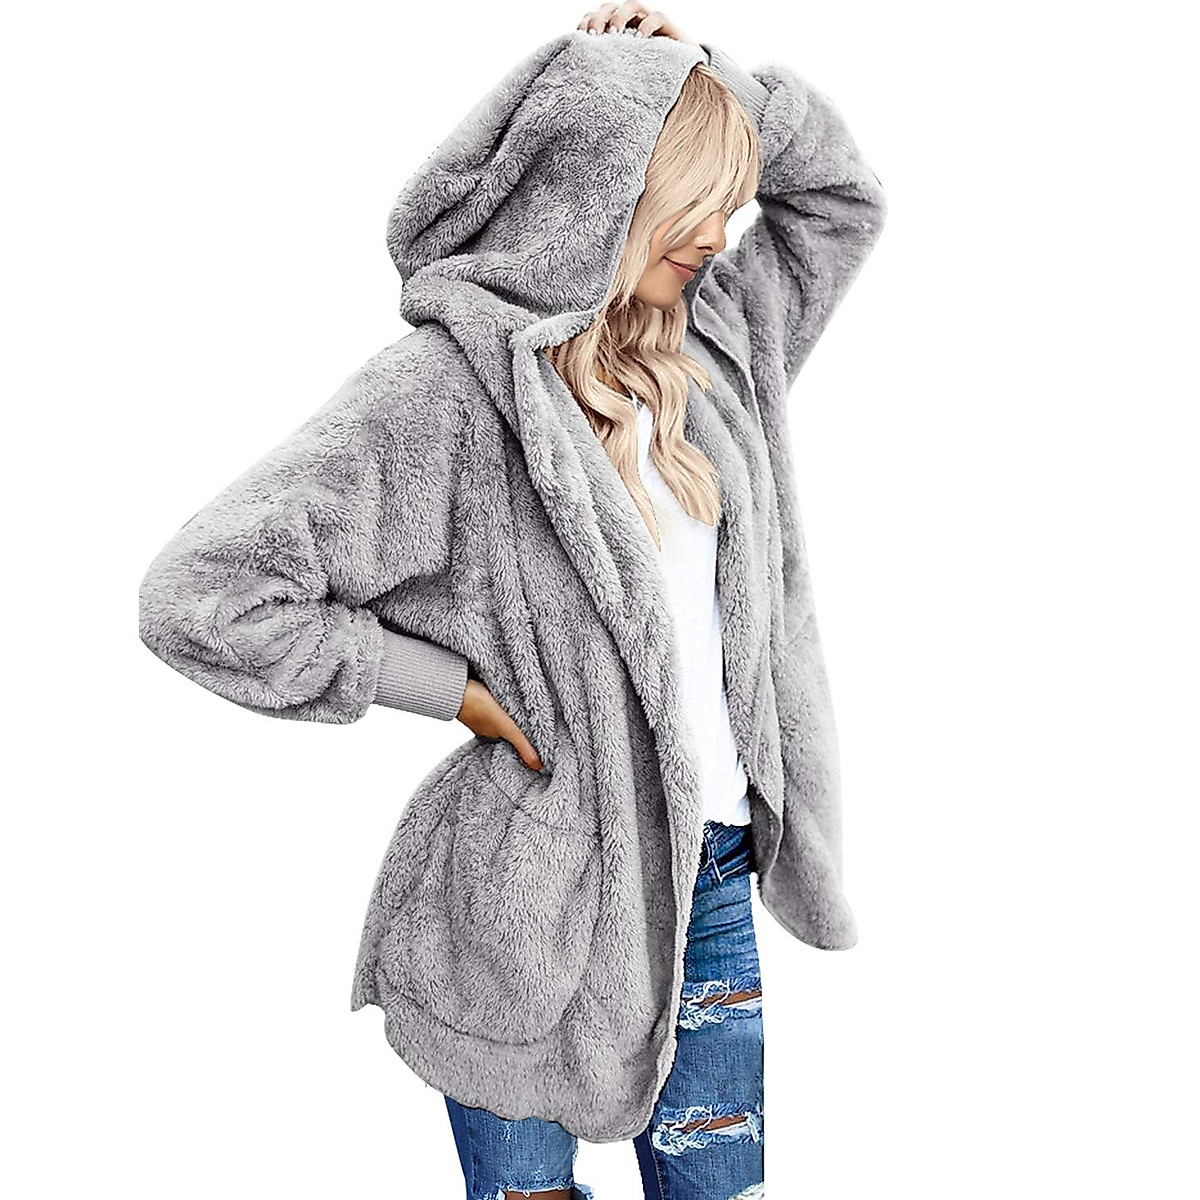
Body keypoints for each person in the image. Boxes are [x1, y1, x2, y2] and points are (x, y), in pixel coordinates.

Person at [138, 6, 886, 1199]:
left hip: (712, 884)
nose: (721, 231)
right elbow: (206, 593)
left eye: (729, 196)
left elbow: (839, 201)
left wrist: (701, 76)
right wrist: (452, 690)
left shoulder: (716, 346)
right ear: (605, 187)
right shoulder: (447, 391)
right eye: (694, 196)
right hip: (529, 902)